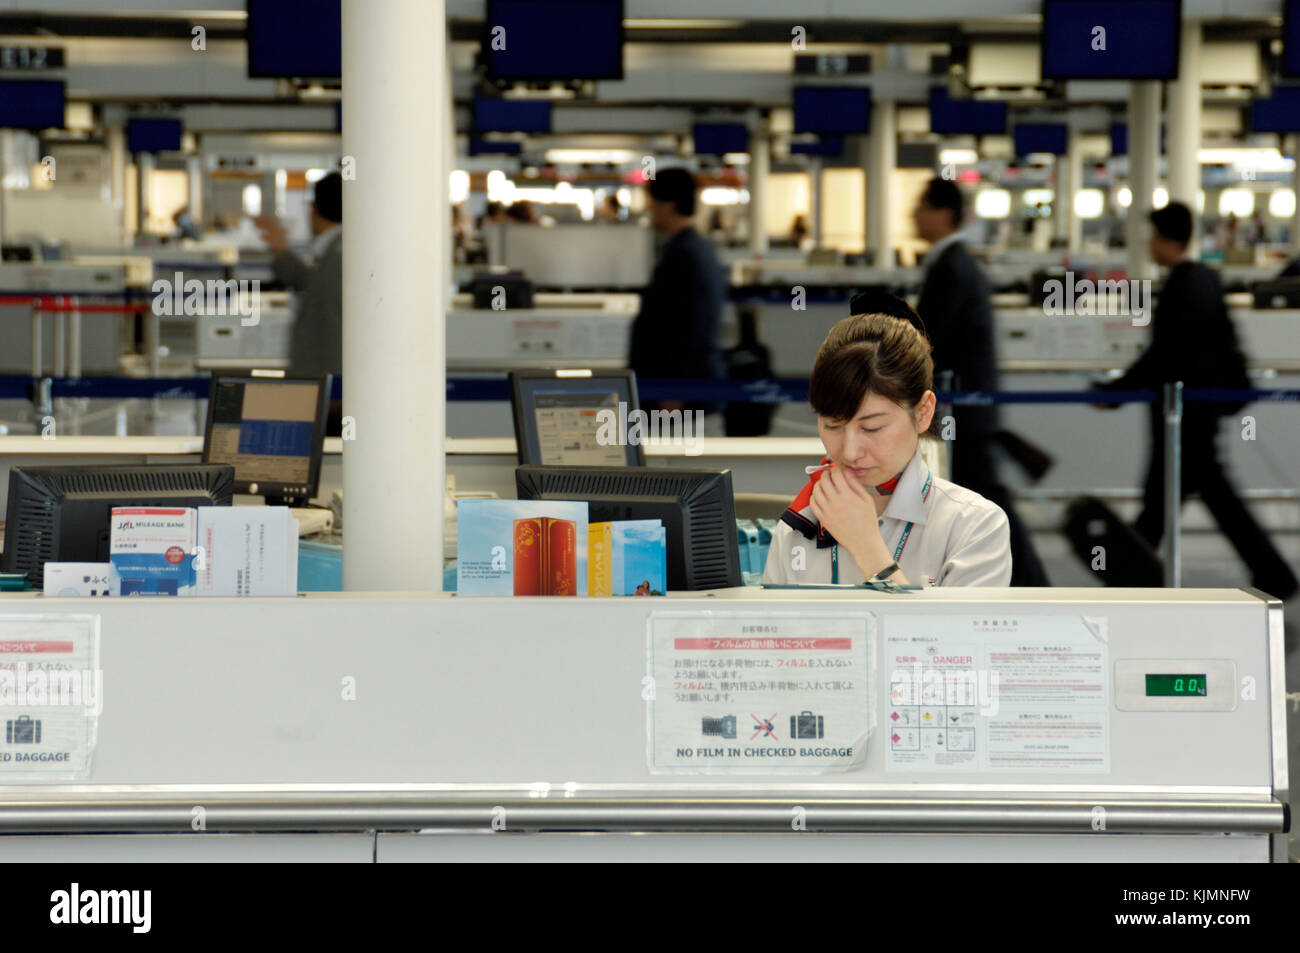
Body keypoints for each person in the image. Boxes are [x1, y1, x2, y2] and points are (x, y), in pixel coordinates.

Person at [1096, 202, 1298, 600]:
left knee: (1170, 501)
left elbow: (1164, 355)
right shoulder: (1204, 279)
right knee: (1185, 500)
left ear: (1167, 239)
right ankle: (1273, 576)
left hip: (1183, 417)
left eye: (1153, 236)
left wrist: (1114, 393)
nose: (1148, 244)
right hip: (1197, 412)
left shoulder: (1183, 285)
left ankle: (1125, 576)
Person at [763, 307, 1011, 587]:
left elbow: (957, 632)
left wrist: (868, 548)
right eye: (833, 425)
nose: (850, 451)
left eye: (872, 428)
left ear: (923, 412)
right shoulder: (798, 524)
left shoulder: (974, 525)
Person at [912, 176, 1050, 586]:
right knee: (983, 498)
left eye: (921, 206)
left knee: (987, 499)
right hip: (967, 409)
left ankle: (1033, 585)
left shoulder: (951, 267)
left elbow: (930, 339)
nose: (913, 215)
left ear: (942, 214)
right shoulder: (955, 263)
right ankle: (1029, 584)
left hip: (963, 411)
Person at [627, 168, 726, 415]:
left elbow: (688, 324)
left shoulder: (684, 254)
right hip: (684, 386)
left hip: (678, 394)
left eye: (651, 201)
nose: (648, 208)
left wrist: (675, 387)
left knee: (670, 452)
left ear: (668, 205)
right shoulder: (697, 249)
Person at [254, 172, 343, 427]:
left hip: (327, 391)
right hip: (328, 386)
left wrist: (333, 388)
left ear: (313, 210)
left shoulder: (338, 253)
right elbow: (310, 283)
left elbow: (326, 315)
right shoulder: (335, 249)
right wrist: (281, 251)